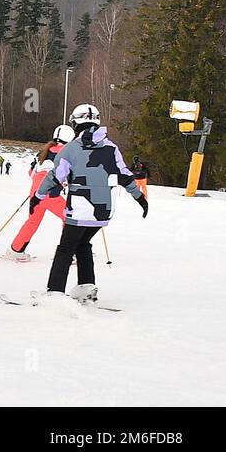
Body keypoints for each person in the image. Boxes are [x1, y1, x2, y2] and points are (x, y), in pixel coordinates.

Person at [35, 104, 147, 304]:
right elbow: (124, 175)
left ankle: (55, 292)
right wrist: (139, 198)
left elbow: (55, 176)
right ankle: (87, 287)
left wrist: (38, 196)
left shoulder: (71, 148)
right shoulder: (112, 148)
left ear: (76, 124)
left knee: (66, 248)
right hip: (104, 211)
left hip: (80, 207)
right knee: (83, 244)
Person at [6, 126, 73, 260]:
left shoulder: (43, 151)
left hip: (35, 194)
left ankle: (16, 250)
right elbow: (70, 175)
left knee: (32, 222)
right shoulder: (67, 153)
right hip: (49, 194)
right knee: (71, 219)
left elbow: (31, 172)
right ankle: (70, 253)